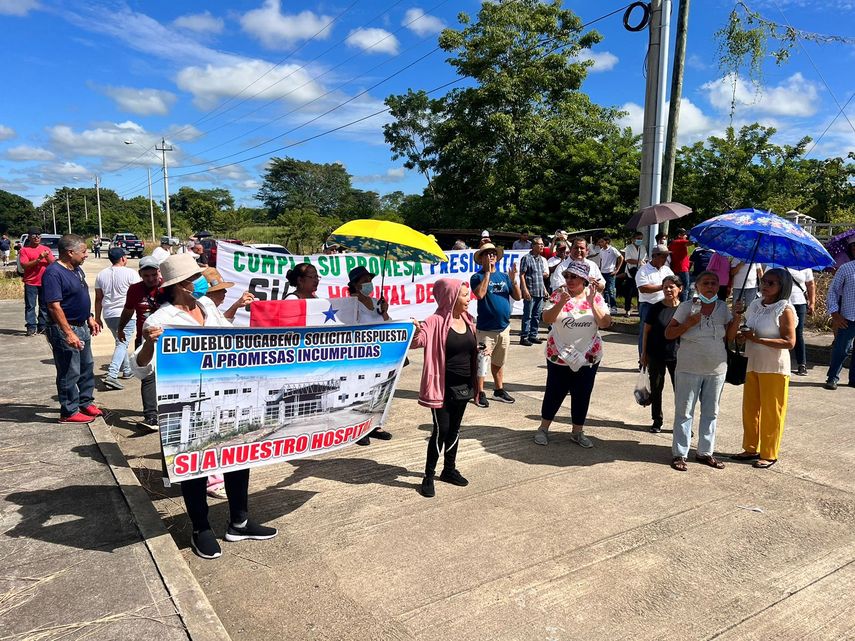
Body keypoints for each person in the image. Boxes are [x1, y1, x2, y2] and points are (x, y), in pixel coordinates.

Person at [130, 253, 277, 559]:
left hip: (226, 398)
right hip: (190, 405)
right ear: (179, 285)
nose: (200, 283)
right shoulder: (160, 320)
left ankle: (239, 521)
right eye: (194, 279)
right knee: (194, 466)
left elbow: (228, 336)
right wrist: (149, 343)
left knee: (238, 456)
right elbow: (141, 369)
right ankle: (201, 529)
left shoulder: (207, 306)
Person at [664, 271, 740, 471]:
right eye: (705, 283)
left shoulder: (723, 308)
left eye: (714, 283)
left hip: (716, 368)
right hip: (689, 367)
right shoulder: (686, 307)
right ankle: (680, 453)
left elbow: (730, 337)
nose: (710, 286)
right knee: (684, 411)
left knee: (711, 412)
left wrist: (737, 317)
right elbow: (669, 333)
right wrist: (688, 323)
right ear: (697, 286)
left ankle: (705, 452)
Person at [411, 278, 478, 498]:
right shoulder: (434, 321)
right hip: (442, 386)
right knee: (442, 430)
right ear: (451, 297)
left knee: (455, 430)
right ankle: (428, 476)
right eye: (464, 295)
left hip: (464, 386)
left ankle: (449, 470)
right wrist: (415, 331)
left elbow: (469, 349)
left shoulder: (468, 320)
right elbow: (417, 342)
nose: (469, 298)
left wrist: (481, 352)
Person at [534, 261, 611, 449]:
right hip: (559, 355)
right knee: (554, 392)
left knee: (582, 394)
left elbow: (605, 323)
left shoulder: (595, 296)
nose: (569, 279)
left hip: (588, 356)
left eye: (573, 276)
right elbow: (547, 319)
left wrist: (591, 303)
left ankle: (577, 432)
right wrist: (562, 302)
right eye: (567, 276)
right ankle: (543, 428)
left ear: (584, 279)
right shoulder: (558, 294)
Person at [731, 269, 796, 469]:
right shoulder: (755, 304)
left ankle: (769, 453)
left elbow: (789, 342)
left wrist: (757, 339)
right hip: (752, 362)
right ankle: (750, 447)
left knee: (772, 412)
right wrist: (743, 335)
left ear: (782, 286)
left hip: (774, 367)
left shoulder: (784, 308)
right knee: (750, 409)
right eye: (764, 281)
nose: (765, 285)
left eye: (771, 283)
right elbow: (748, 330)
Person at [202, 266, 257, 500]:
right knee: (211, 430)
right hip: (210, 379)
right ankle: (213, 481)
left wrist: (236, 306)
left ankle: (214, 477)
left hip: (217, 379)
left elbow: (223, 324)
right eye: (221, 290)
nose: (224, 293)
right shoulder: (204, 307)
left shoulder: (210, 308)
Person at [43, 234, 103, 423]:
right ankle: (68, 411)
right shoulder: (53, 273)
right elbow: (54, 306)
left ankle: (85, 402)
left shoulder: (76, 269)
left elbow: (79, 296)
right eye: (83, 251)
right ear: (70, 252)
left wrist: (89, 317)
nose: (86, 255)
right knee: (70, 371)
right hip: (65, 329)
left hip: (82, 325)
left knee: (87, 366)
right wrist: (68, 333)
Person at [346, 265, 394, 445]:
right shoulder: (350, 304)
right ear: (355, 284)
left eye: (370, 280)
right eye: (364, 280)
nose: (369, 283)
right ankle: (358, 429)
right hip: (360, 356)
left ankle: (375, 425)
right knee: (359, 393)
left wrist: (384, 311)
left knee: (378, 391)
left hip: (379, 355)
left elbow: (388, 324)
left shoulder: (376, 302)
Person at [470, 242, 520, 407]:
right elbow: (480, 294)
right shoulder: (476, 277)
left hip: (503, 328)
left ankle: (499, 390)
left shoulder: (504, 277)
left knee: (499, 362)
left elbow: (518, 297)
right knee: (482, 362)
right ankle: (480, 392)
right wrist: (487, 273)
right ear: (481, 258)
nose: (491, 256)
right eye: (487, 254)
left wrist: (514, 281)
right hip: (485, 330)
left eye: (493, 254)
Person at [117, 256, 162, 430]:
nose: (151, 279)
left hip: (168, 342)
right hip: (144, 341)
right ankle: (151, 417)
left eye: (154, 274)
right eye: (146, 275)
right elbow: (128, 310)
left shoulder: (168, 287)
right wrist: (120, 328)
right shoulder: (135, 289)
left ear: (159, 272)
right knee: (147, 376)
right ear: (140, 275)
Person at [640, 275, 682, 432]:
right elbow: (646, 332)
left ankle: (682, 422)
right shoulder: (655, 308)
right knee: (656, 388)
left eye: (671, 287)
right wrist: (644, 354)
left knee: (681, 391)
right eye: (665, 287)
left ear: (680, 289)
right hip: (656, 354)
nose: (668, 290)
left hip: (678, 356)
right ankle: (657, 420)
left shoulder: (684, 309)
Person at [95, 247, 141, 390]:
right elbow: (138, 294)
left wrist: (97, 317)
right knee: (122, 343)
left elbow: (98, 298)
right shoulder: (131, 273)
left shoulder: (101, 274)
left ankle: (127, 370)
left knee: (120, 342)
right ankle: (112, 374)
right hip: (126, 313)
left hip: (109, 314)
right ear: (122, 258)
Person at [824, 237, 855, 390]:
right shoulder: (845, 268)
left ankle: (853, 379)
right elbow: (833, 292)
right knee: (841, 349)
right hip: (847, 317)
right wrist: (835, 313)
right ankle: (832, 377)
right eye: (853, 247)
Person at [635, 246, 675, 357]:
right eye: (663, 256)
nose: (666, 259)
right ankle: (643, 358)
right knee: (645, 333)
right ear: (655, 256)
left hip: (664, 305)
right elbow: (643, 288)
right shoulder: (643, 270)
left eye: (667, 256)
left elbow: (674, 283)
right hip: (648, 306)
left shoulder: (667, 270)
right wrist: (664, 286)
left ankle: (660, 357)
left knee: (663, 331)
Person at [19, 228, 55, 336]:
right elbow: (24, 265)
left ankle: (42, 326)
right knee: (30, 306)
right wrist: (38, 259)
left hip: (45, 282)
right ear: (29, 237)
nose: (37, 238)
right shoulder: (24, 250)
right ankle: (31, 326)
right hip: (31, 282)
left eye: (39, 235)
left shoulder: (46, 249)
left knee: (44, 305)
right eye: (34, 236)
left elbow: (53, 264)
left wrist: (47, 257)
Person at [518, 236, 548, 346]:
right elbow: (522, 275)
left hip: (540, 291)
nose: (542, 246)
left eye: (542, 244)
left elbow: (540, 277)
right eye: (540, 244)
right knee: (528, 315)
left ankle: (533, 335)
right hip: (530, 291)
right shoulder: (526, 258)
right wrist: (524, 290)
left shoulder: (541, 259)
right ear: (533, 246)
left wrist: (544, 289)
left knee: (536, 315)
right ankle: (524, 337)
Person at [595, 236, 623, 314]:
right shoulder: (601, 250)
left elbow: (621, 258)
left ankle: (614, 306)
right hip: (603, 272)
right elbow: (602, 260)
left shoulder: (612, 249)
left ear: (606, 242)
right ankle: (607, 305)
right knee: (605, 290)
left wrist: (617, 269)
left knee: (611, 290)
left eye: (602, 241)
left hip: (610, 272)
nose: (600, 243)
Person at [621, 232, 647, 316]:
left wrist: (643, 263)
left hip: (641, 272)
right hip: (631, 272)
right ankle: (627, 310)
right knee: (629, 292)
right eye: (638, 238)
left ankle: (640, 310)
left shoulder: (642, 247)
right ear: (633, 239)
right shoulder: (629, 247)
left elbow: (645, 258)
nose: (639, 240)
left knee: (640, 292)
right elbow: (627, 259)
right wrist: (638, 262)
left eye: (641, 238)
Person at [668, 229, 692, 302]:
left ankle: (677, 302)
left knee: (677, 288)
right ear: (679, 235)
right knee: (685, 289)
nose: (686, 236)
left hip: (675, 269)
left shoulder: (672, 243)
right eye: (684, 234)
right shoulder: (679, 242)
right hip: (682, 269)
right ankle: (684, 305)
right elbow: (691, 242)